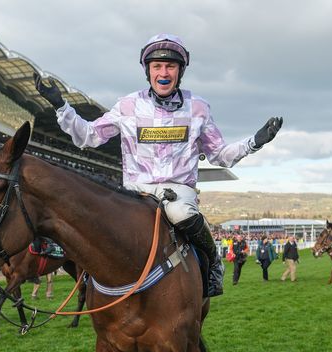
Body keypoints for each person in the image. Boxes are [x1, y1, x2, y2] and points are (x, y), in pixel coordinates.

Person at [35, 34, 282, 297]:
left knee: (182, 214)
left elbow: (219, 154)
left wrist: (254, 142)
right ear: (148, 71)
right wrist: (61, 105)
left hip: (178, 193)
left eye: (170, 66)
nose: (163, 73)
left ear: (180, 71)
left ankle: (213, 266)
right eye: (157, 66)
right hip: (134, 192)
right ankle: (89, 280)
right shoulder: (128, 105)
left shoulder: (198, 107)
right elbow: (89, 136)